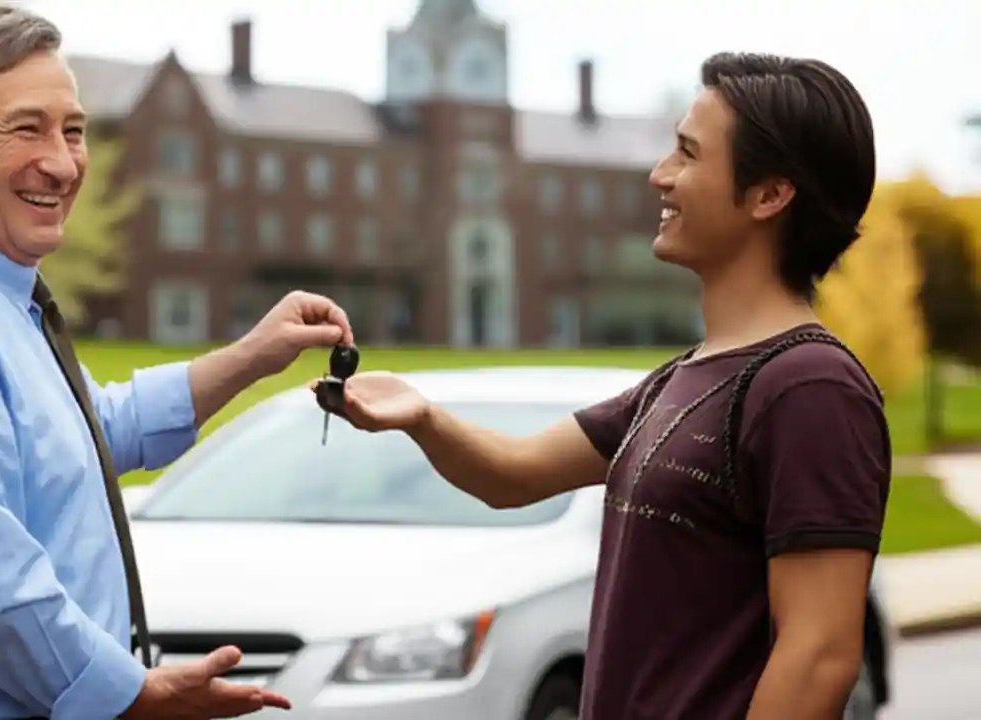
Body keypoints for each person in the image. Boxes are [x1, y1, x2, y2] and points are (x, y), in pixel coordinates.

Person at [0, 4, 350, 719]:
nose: (63, 164)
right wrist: (133, 698)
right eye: (26, 128)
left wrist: (251, 357)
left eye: (74, 130)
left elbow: (89, 436)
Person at [328, 52, 888, 719]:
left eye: (687, 154)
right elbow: (515, 473)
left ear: (769, 194)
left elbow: (819, 655)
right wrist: (422, 417)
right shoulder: (682, 379)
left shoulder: (810, 387)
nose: (660, 175)